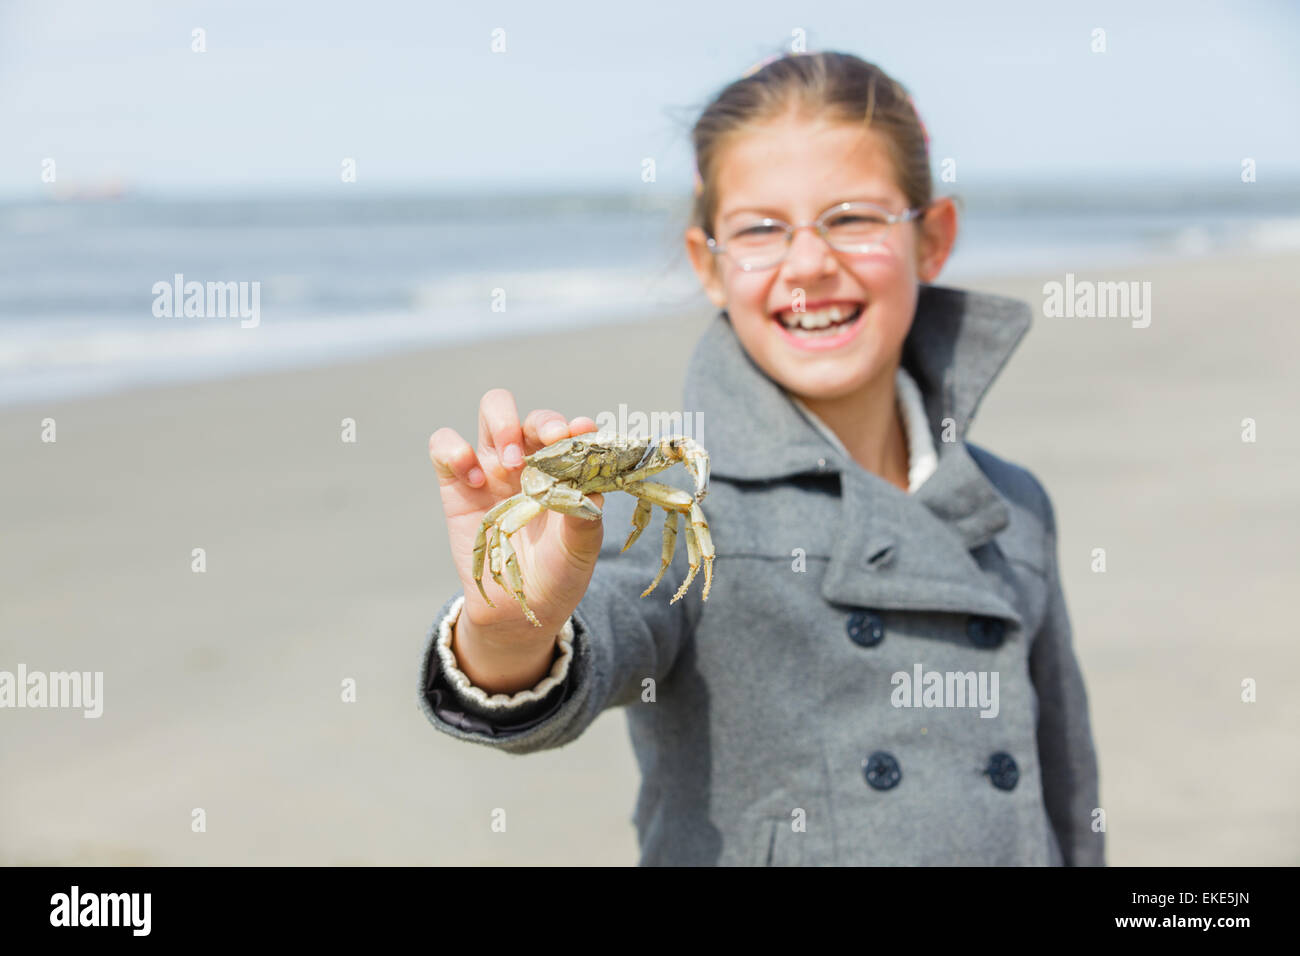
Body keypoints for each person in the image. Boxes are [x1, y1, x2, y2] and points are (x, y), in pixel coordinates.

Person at [423, 50, 1104, 866]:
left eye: (853, 217)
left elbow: (1065, 793)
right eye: (760, 229)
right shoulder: (679, 495)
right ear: (709, 262)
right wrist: (510, 632)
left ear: (933, 238)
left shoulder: (1012, 505)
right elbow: (601, 635)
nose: (809, 263)